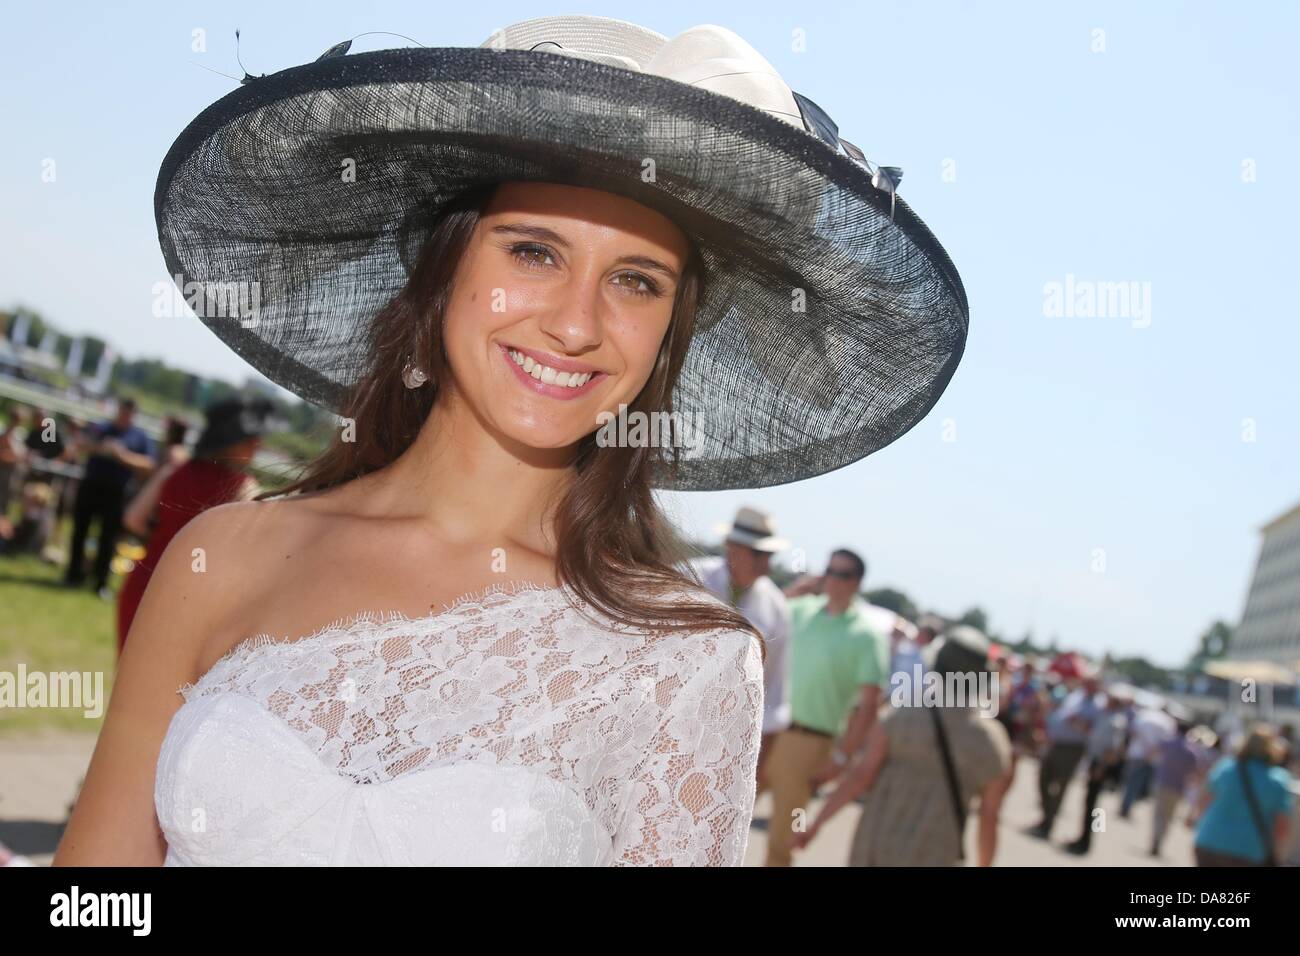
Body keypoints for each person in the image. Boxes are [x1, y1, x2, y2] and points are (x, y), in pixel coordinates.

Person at [54, 15, 967, 866]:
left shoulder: (686, 661)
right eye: (533, 251)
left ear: (667, 336)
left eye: (638, 281)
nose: (576, 323)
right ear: (445, 268)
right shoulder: (220, 555)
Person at [793, 625, 1012, 865]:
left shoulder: (901, 715)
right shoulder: (991, 741)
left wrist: (815, 824)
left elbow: (861, 776)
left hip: (877, 844)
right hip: (937, 852)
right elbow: (989, 815)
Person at [762, 548, 890, 866]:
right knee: (718, 812)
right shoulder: (801, 609)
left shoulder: (868, 635)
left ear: (857, 582)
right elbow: (762, 616)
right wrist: (796, 590)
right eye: (829, 571)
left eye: (842, 574)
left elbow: (869, 707)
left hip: (810, 743)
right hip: (767, 730)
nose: (833, 579)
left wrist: (843, 756)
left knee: (783, 838)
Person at [116, 398, 269, 654]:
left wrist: (164, 539)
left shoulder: (174, 471)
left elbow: (133, 519)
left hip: (146, 581)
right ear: (232, 441)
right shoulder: (244, 488)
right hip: (195, 599)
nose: (259, 445)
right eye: (252, 439)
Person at [683, 506, 793, 788]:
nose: (766, 564)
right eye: (759, 554)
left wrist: (753, 773)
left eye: (769, 555)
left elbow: (774, 691)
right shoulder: (687, 577)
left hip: (727, 742)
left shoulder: (776, 607)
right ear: (732, 548)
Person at [63, 396, 156, 599]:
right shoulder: (101, 428)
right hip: (91, 485)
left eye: (128, 413)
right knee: (80, 531)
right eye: (122, 412)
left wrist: (122, 455)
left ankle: (100, 582)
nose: (124, 416)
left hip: (116, 491)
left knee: (108, 538)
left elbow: (149, 464)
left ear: (133, 415)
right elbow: (79, 444)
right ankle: (73, 574)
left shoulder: (139, 437)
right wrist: (99, 448)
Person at [1191, 723, 1293, 866]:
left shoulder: (1226, 768)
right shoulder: (1278, 780)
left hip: (1209, 840)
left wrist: (1197, 823)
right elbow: (1281, 826)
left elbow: (1204, 801)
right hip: (1248, 850)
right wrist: (1277, 855)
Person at [1028, 673, 1102, 839]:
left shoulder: (1098, 706)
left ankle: (1048, 824)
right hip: (1056, 743)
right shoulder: (1077, 696)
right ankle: (1046, 816)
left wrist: (1078, 723)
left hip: (1073, 749)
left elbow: (1094, 732)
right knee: (1043, 778)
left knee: (1060, 786)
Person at [1065, 686, 1131, 855]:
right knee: (1089, 804)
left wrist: (1101, 768)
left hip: (1101, 765)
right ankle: (1083, 838)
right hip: (1096, 762)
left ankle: (1086, 842)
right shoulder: (1107, 716)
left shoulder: (1116, 720)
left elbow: (1113, 749)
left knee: (1093, 806)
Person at [1149, 718, 1207, 857]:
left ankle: (1156, 840)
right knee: (1168, 816)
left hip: (1163, 782)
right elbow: (1197, 771)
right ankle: (1160, 840)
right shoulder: (1191, 751)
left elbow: (1153, 751)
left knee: (1159, 814)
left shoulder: (1168, 742)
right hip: (1178, 787)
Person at [1119, 699, 1176, 818]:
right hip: (1152, 757)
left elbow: (1133, 731)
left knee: (1130, 781)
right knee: (1139, 783)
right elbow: (1166, 743)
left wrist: (1143, 746)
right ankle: (1127, 806)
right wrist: (1150, 751)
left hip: (1136, 753)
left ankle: (1124, 805)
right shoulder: (1169, 722)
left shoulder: (1145, 714)